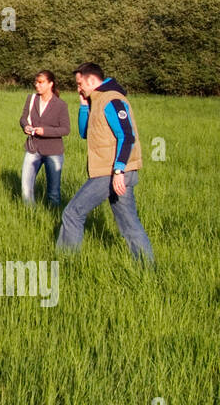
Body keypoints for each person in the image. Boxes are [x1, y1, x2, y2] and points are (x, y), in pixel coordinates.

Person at [57, 62, 154, 262]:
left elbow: (127, 136)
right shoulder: (97, 101)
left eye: (79, 83)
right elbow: (85, 133)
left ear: (92, 80)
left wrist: (118, 172)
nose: (78, 88)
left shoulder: (112, 100)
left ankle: (66, 264)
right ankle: (147, 267)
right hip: (112, 172)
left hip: (111, 172)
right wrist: (84, 106)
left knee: (72, 213)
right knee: (129, 224)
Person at [18, 70, 70, 206]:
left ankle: (54, 217)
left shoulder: (61, 105)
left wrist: (44, 131)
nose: (37, 85)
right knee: (26, 189)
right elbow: (23, 118)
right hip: (33, 148)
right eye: (36, 82)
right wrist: (26, 126)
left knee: (53, 192)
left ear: (50, 84)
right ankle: (30, 215)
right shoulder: (31, 99)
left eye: (41, 82)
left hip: (53, 151)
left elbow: (65, 129)